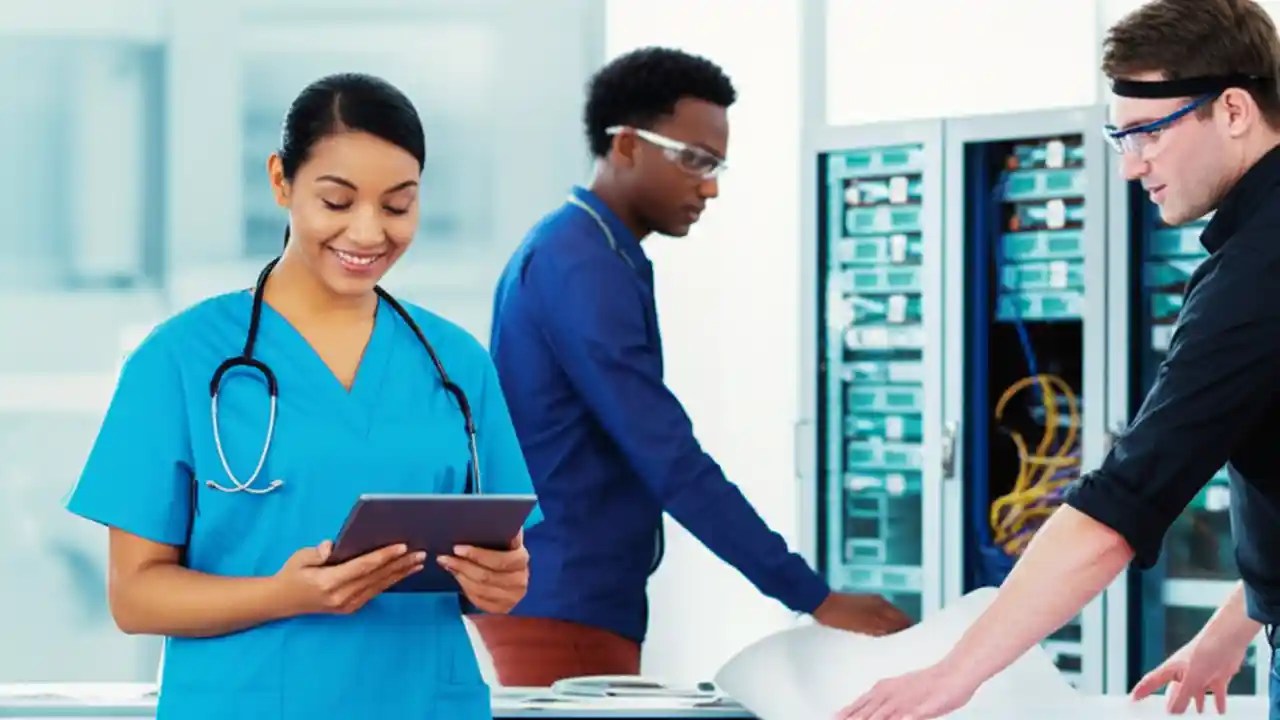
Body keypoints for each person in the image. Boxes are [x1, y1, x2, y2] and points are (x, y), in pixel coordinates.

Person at [834, 1, 1280, 718]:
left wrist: (951, 677)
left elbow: (1124, 503)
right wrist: (1238, 624)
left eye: (1148, 134)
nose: (1132, 167)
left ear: (1232, 109)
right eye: (1118, 137)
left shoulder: (1257, 272)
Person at [64, 72, 540, 719]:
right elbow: (136, 597)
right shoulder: (180, 359)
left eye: (398, 206)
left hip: (425, 703)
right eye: (337, 202)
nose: (369, 233)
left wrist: (502, 582)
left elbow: (493, 568)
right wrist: (283, 594)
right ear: (281, 182)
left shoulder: (456, 364)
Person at [472, 46, 913, 687]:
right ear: (625, 145)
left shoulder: (593, 251)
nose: (708, 186)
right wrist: (812, 595)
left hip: (578, 598)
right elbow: (668, 458)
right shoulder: (579, 264)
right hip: (561, 605)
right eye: (695, 161)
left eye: (716, 166)